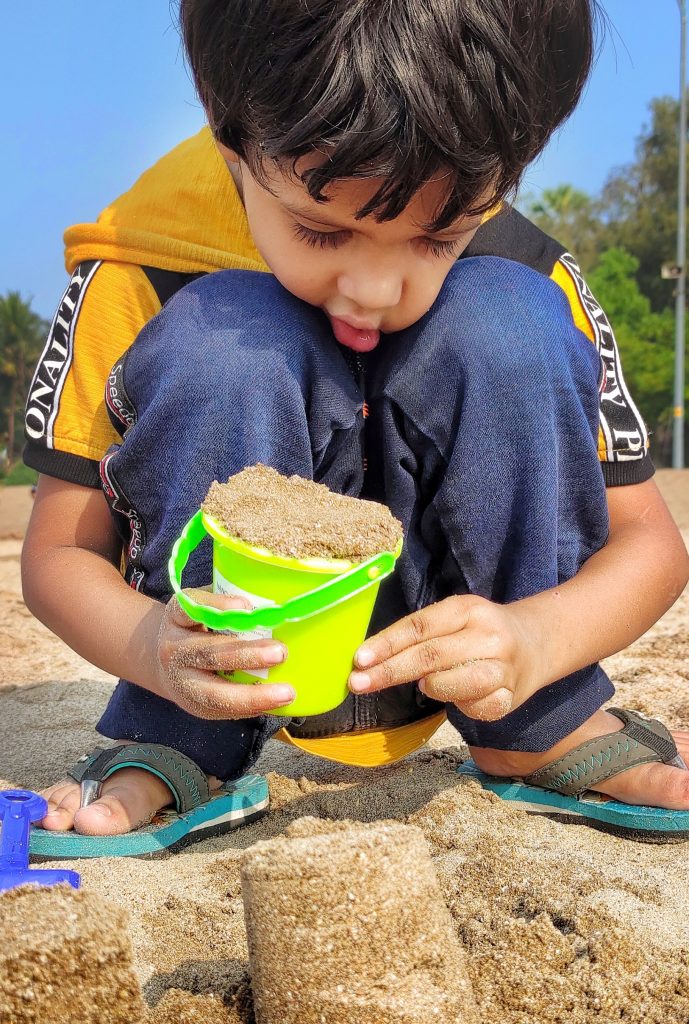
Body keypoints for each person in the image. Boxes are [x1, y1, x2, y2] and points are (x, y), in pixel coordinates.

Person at [21, 0, 689, 854]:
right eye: (319, 229)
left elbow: (652, 548)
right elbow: (57, 555)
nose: (375, 289)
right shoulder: (142, 257)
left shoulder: (525, 267)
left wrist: (533, 641)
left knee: (507, 325)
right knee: (224, 333)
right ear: (235, 143)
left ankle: (539, 727)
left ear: (502, 176)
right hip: (223, 666)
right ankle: (177, 742)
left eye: (438, 235)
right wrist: (156, 650)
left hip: (470, 649)